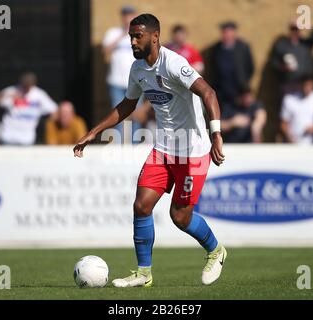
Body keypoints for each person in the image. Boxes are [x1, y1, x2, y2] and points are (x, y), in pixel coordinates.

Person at [74, 14, 227, 287]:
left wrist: (216, 134)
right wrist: (93, 132)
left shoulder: (175, 63)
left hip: (193, 152)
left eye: (137, 36)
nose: (132, 41)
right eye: (131, 36)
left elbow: (209, 93)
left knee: (180, 217)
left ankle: (216, 251)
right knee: (141, 206)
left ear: (154, 37)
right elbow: (127, 105)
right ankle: (144, 273)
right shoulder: (137, 69)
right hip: (163, 149)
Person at [102, 5, 142, 142]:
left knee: (136, 116)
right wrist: (122, 34)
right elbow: (105, 51)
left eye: (130, 15)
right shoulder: (113, 33)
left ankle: (135, 144)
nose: (127, 18)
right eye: (125, 15)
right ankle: (119, 145)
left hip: (136, 82)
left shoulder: (140, 35)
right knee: (117, 116)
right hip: (116, 82)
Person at [0, 72, 57, 145]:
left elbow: (54, 111)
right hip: (8, 137)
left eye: (29, 85)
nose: (27, 88)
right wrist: (8, 95)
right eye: (25, 85)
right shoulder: (12, 90)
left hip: (27, 139)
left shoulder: (39, 95)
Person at [210, 21, 254, 116]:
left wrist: (245, 88)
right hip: (222, 93)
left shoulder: (243, 47)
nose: (227, 35)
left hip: (239, 92)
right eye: (225, 32)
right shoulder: (216, 49)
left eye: (229, 32)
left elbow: (250, 68)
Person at [271, 21, 313, 94]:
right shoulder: (282, 45)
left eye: (297, 29)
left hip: (306, 84)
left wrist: (306, 25)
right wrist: (284, 67)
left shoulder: (305, 44)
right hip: (290, 84)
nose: (295, 32)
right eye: (293, 29)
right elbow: (274, 64)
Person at [280, 76, 313, 144]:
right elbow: (284, 123)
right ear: (300, 85)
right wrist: (290, 138)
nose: (307, 88)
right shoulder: (289, 99)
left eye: (310, 85)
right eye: (305, 85)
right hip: (293, 144)